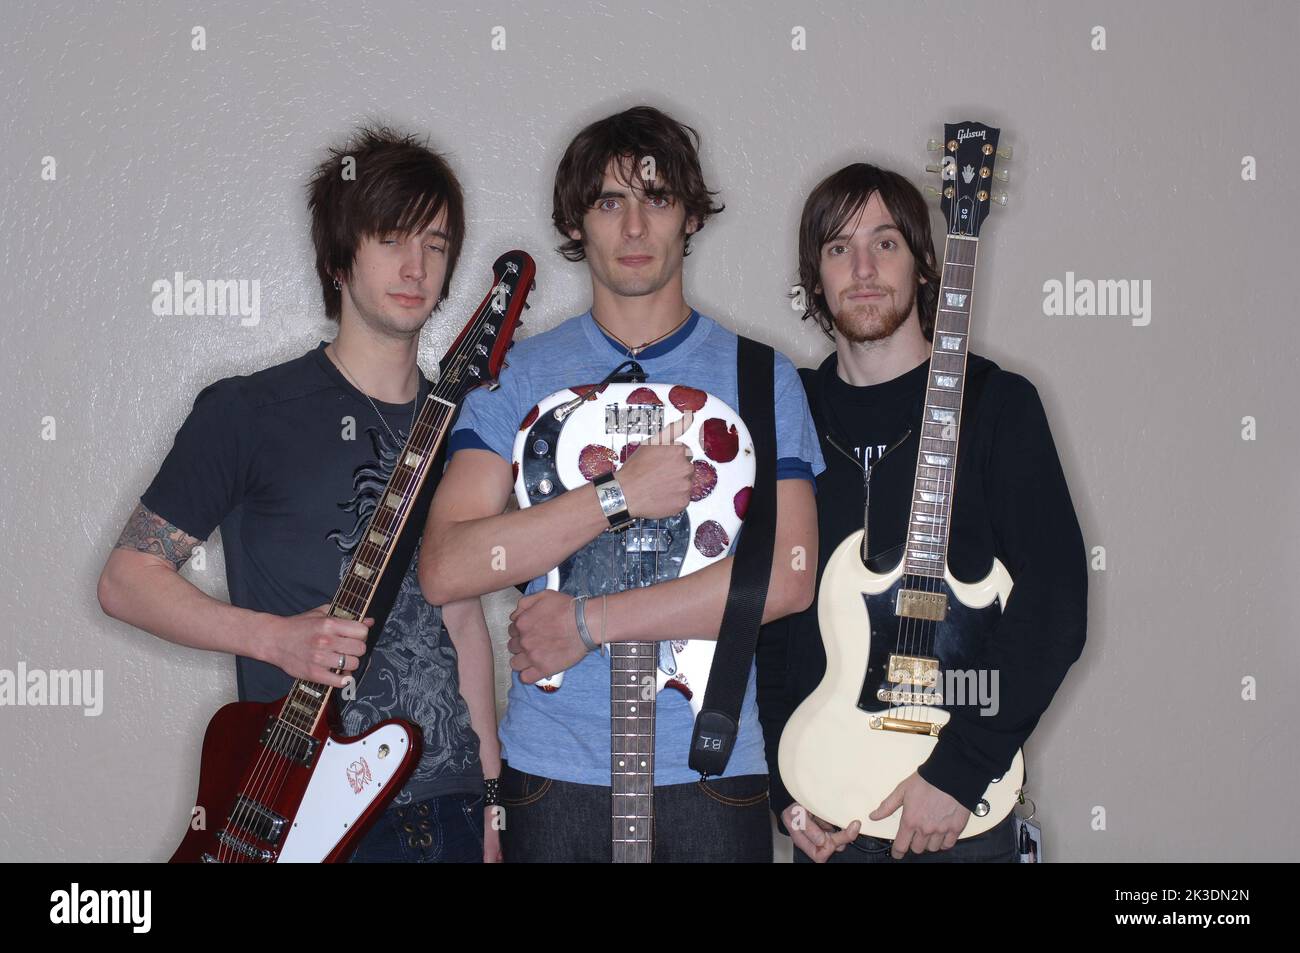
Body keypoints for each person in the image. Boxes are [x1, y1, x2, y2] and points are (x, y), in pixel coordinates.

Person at [419, 105, 825, 862]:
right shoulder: (516, 380)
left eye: (658, 198)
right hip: (552, 774)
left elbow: (789, 578)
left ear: (691, 217)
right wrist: (618, 496)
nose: (634, 228)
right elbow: (446, 566)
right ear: (577, 222)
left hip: (711, 765)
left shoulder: (761, 379)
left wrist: (589, 621)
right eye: (609, 202)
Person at [96, 124, 501, 863]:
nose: (416, 265)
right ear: (338, 258)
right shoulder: (248, 412)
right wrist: (272, 637)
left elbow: (466, 619)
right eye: (390, 237)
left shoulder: (467, 425)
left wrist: (494, 799)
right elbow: (127, 581)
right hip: (312, 811)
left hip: (451, 807)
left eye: (436, 245)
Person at [758, 162, 1087, 863]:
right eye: (839, 248)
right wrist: (782, 789)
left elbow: (1055, 605)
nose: (865, 267)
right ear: (815, 277)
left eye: (887, 243)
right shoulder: (789, 416)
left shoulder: (999, 406)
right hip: (829, 812)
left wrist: (961, 771)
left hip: (959, 813)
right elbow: (770, 624)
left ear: (924, 263)